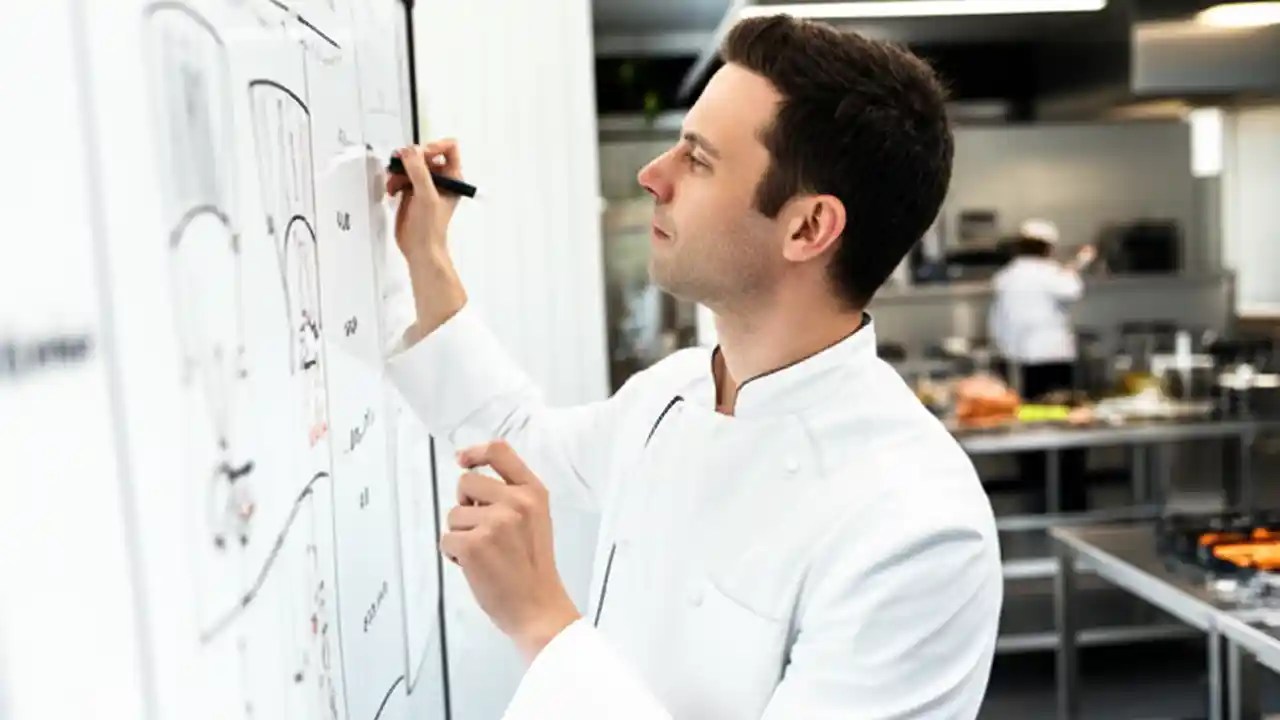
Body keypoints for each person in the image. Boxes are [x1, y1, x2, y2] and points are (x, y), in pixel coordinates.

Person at [386, 15, 1001, 719]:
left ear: (807, 228)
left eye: (698, 159)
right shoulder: (674, 394)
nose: (652, 176)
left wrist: (541, 622)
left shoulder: (916, 526)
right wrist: (426, 256)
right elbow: (514, 438)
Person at [989, 219, 1097, 512]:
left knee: (1030, 423)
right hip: (1055, 360)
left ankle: (1036, 489)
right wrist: (1080, 262)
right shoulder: (1049, 273)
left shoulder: (1006, 276)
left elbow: (998, 322)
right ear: (1048, 248)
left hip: (1020, 362)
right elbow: (1072, 290)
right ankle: (1069, 492)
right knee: (1067, 422)